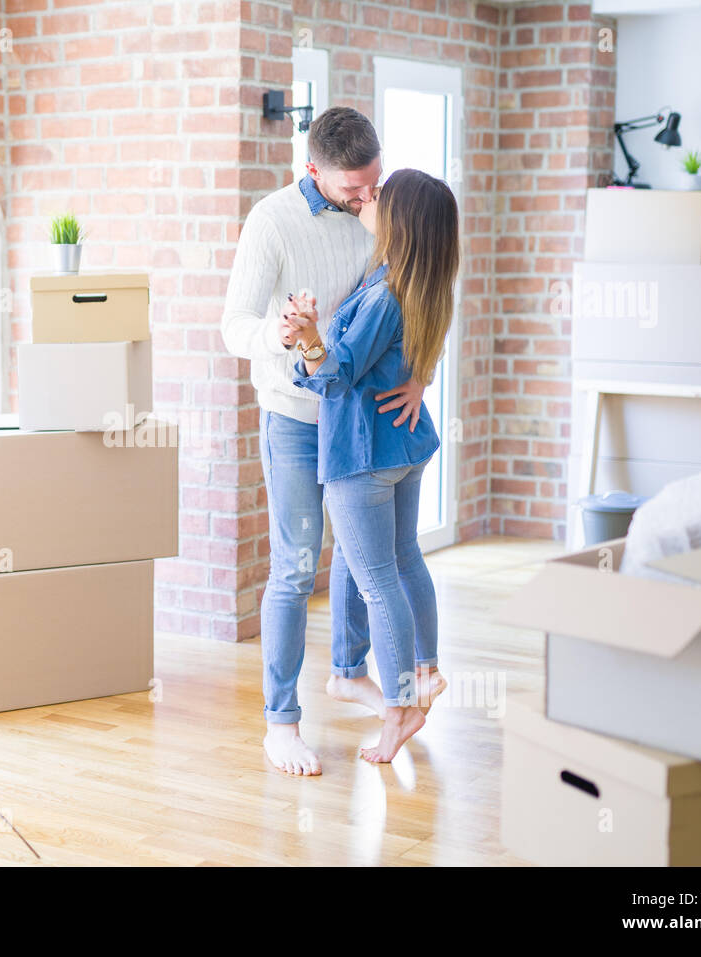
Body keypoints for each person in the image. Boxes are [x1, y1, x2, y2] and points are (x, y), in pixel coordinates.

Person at [220, 107, 424, 777]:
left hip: (358, 418)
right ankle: (281, 721)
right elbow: (234, 325)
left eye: (375, 184)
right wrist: (281, 340)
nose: (370, 200)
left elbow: (419, 295)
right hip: (295, 419)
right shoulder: (271, 222)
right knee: (296, 565)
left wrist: (422, 374)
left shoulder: (376, 214)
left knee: (360, 559)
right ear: (313, 170)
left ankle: (347, 671)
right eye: (353, 190)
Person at [288, 168, 459, 763]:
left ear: (400, 223)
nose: (371, 198)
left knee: (375, 579)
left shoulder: (385, 293)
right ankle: (406, 669)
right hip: (400, 449)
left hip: (360, 456)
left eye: (382, 196)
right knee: (397, 560)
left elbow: (334, 374)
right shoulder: (417, 284)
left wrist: (309, 336)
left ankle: (401, 708)